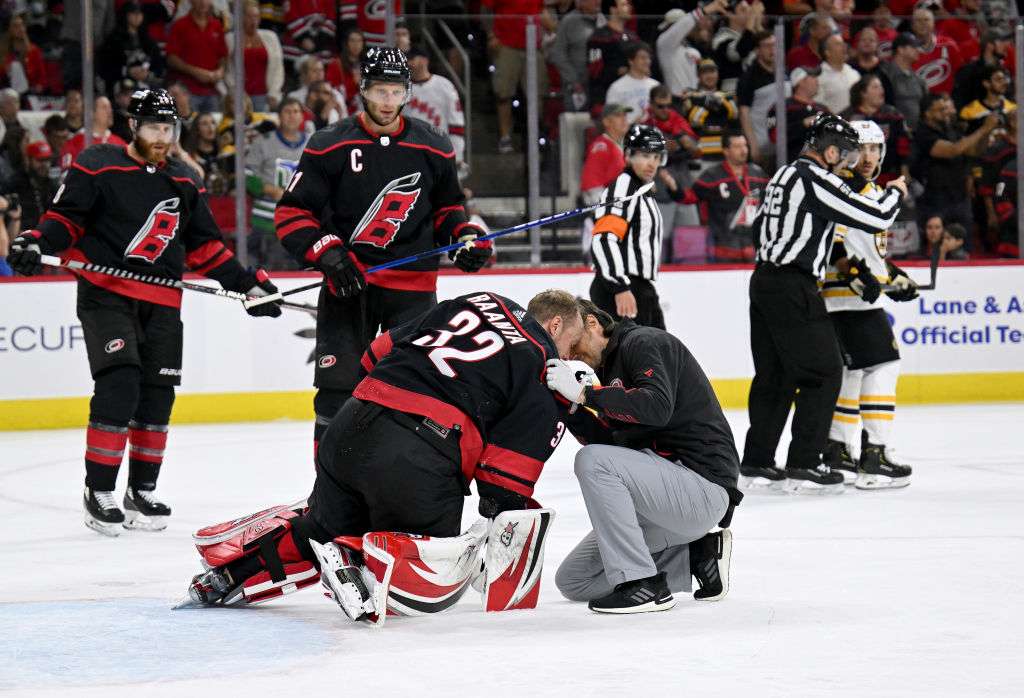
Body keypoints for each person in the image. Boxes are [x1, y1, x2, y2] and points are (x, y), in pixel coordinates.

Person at [181, 290, 585, 614]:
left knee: (320, 526)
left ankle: (227, 577)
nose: (570, 357)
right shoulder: (543, 365)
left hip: (349, 426)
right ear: (554, 325)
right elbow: (503, 483)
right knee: (439, 566)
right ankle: (354, 556)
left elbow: (376, 351)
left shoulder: (478, 300)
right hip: (417, 456)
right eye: (572, 344)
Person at [5, 88, 283, 536]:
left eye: (168, 128)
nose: (161, 136)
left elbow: (205, 247)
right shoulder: (98, 164)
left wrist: (249, 284)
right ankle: (99, 492)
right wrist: (36, 240)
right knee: (120, 381)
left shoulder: (184, 179)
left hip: (163, 300)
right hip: (106, 293)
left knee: (158, 394)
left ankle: (142, 489)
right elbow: (66, 220)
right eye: (153, 126)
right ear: (132, 125)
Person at [274, 47, 493, 459]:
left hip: (412, 292)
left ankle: (399, 482)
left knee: (414, 387)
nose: (387, 102)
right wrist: (327, 252)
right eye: (379, 91)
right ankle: (330, 486)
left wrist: (464, 239)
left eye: (395, 92)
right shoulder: (329, 144)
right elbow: (291, 212)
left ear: (407, 93)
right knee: (337, 387)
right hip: (348, 285)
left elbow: (449, 210)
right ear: (363, 90)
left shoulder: (434, 145)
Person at [742, 113, 906, 493]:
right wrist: (897, 190)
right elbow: (876, 216)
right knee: (824, 371)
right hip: (793, 286)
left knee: (775, 376)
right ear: (829, 150)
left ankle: (757, 461)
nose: (847, 162)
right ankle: (805, 463)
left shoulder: (783, 175)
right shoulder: (815, 178)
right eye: (845, 153)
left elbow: (758, 228)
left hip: (763, 280)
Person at [547, 299, 741, 613]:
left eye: (571, 342)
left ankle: (641, 586)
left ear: (593, 324)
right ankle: (695, 553)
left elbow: (656, 406)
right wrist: (570, 409)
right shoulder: (608, 373)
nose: (568, 354)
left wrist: (586, 395)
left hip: (702, 485)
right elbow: (617, 447)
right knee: (574, 580)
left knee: (592, 461)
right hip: (667, 504)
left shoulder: (644, 342)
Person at [820, 120, 916, 490]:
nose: (868, 156)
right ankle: (875, 453)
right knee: (885, 365)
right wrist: (860, 278)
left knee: (853, 373)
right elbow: (838, 247)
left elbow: (866, 254)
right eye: (862, 148)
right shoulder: (848, 189)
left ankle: (838, 449)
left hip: (845, 300)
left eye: (875, 149)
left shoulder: (867, 189)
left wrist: (894, 277)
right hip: (849, 301)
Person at [589, 124, 677, 329]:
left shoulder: (641, 189)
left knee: (659, 352)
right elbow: (604, 239)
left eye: (657, 157)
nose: (652, 163)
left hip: (638, 287)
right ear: (628, 155)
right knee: (636, 357)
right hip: (622, 287)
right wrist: (619, 287)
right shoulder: (624, 188)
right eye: (646, 155)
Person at [912, 92, 999, 240]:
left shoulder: (951, 129)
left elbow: (973, 150)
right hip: (935, 199)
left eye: (946, 109)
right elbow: (953, 150)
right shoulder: (922, 133)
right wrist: (983, 129)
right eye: (941, 110)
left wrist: (987, 131)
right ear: (927, 114)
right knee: (937, 245)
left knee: (963, 245)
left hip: (959, 196)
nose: (946, 113)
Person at [482, 0, 554, 154]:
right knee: (503, 93)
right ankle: (505, 137)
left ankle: (535, 135)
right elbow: (485, 9)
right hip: (507, 45)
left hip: (534, 46)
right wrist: (490, 35)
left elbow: (541, 10)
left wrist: (553, 28)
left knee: (537, 94)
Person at [245, 98, 308, 269]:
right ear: (279, 116)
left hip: (302, 222)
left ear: (302, 117)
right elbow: (246, 174)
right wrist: (268, 189)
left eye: (296, 112)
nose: (292, 116)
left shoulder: (312, 143)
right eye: (287, 111)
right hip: (267, 221)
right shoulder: (263, 141)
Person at [691, 131, 767, 262]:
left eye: (745, 146)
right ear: (726, 151)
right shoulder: (712, 175)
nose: (743, 150)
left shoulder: (758, 173)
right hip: (723, 246)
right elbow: (690, 197)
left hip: (752, 247)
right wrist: (673, 188)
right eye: (738, 146)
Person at [405, 46, 467, 174]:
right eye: (407, 60)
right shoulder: (401, 88)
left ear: (424, 60)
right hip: (410, 153)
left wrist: (457, 154)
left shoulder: (444, 85)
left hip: (438, 150)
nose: (409, 63)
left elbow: (456, 124)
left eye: (412, 59)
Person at [841, 75, 910, 186]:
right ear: (863, 93)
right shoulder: (847, 117)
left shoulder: (893, 115)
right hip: (854, 177)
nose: (881, 90)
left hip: (889, 176)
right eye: (875, 87)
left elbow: (903, 145)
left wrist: (904, 169)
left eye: (881, 87)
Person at [165, 0, 227, 113]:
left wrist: (220, 71)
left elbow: (223, 56)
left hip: (212, 91)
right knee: (188, 126)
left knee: (212, 126)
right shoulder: (180, 25)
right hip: (187, 91)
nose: (203, 3)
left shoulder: (217, 25)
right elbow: (171, 58)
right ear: (191, 2)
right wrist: (196, 72)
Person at [655, 0, 725, 100]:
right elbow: (683, 26)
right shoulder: (664, 45)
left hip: (696, 99)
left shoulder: (693, 50)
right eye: (671, 26)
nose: (673, 31)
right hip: (677, 99)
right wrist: (706, 10)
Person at [225, 0, 284, 113]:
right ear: (240, 18)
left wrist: (274, 93)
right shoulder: (230, 39)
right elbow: (227, 70)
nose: (253, 21)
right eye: (249, 16)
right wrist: (234, 92)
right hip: (238, 98)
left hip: (264, 96)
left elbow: (278, 69)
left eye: (256, 16)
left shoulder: (271, 37)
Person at [549, 0, 602, 113]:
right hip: (577, 84)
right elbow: (558, 53)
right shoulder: (569, 21)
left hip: (599, 84)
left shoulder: (603, 20)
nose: (598, 1)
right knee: (577, 122)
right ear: (580, 2)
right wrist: (573, 80)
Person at [682, 58, 739, 163]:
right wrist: (718, 105)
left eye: (712, 72)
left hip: (726, 156)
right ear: (698, 76)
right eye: (705, 73)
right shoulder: (690, 96)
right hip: (700, 156)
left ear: (718, 74)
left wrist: (702, 103)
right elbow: (695, 119)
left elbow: (733, 113)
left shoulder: (728, 95)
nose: (709, 76)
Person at [586, 0, 638, 111]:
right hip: (606, 97)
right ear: (613, 9)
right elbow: (594, 71)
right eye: (624, 5)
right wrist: (617, 71)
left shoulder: (632, 36)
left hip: (632, 94)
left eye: (628, 4)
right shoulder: (599, 37)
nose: (629, 7)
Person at [771, 66, 828, 164]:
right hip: (791, 163)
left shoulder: (822, 108)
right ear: (801, 81)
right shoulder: (782, 107)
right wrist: (803, 124)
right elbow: (775, 136)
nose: (817, 81)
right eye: (813, 77)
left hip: (820, 165)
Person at [737, 30, 776, 169]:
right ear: (757, 50)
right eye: (767, 46)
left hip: (783, 142)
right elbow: (744, 113)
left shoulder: (784, 72)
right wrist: (752, 145)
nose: (772, 49)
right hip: (762, 145)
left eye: (774, 45)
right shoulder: (748, 78)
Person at [952, 28, 1013, 111]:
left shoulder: (1005, 72)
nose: (1007, 45)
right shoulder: (969, 72)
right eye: (1002, 41)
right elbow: (959, 102)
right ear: (989, 45)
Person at [59, 97, 126, 171]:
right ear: (91, 113)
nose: (110, 111)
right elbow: (67, 175)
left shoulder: (120, 143)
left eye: (110, 108)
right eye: (104, 107)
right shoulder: (74, 143)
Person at [879, 32, 928, 132]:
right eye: (914, 47)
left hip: (917, 134)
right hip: (894, 133)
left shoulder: (918, 79)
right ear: (900, 49)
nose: (918, 50)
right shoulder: (884, 75)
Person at [712, 1, 765, 93]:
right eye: (743, 10)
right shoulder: (720, 38)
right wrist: (751, 20)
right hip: (733, 92)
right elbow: (737, 52)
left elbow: (774, 56)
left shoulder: (752, 35)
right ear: (729, 14)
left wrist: (758, 25)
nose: (749, 14)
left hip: (757, 89)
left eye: (750, 10)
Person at [910, 6, 962, 96]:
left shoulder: (948, 44)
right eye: (918, 20)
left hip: (947, 100)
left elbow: (960, 72)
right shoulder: (908, 50)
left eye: (926, 20)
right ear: (912, 25)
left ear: (934, 23)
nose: (923, 23)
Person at [604, 42, 659, 124]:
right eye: (643, 58)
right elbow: (610, 119)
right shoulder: (617, 87)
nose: (647, 61)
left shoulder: (655, 85)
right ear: (631, 61)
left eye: (649, 58)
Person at [958, 65, 1016, 135]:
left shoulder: (1013, 108)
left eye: (1004, 79)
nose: (1004, 83)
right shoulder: (968, 111)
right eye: (998, 80)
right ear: (986, 84)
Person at [815, 34, 860, 115]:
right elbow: (818, 106)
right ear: (827, 52)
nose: (844, 47)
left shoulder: (854, 73)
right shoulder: (819, 76)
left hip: (856, 123)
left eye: (843, 43)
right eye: (838, 44)